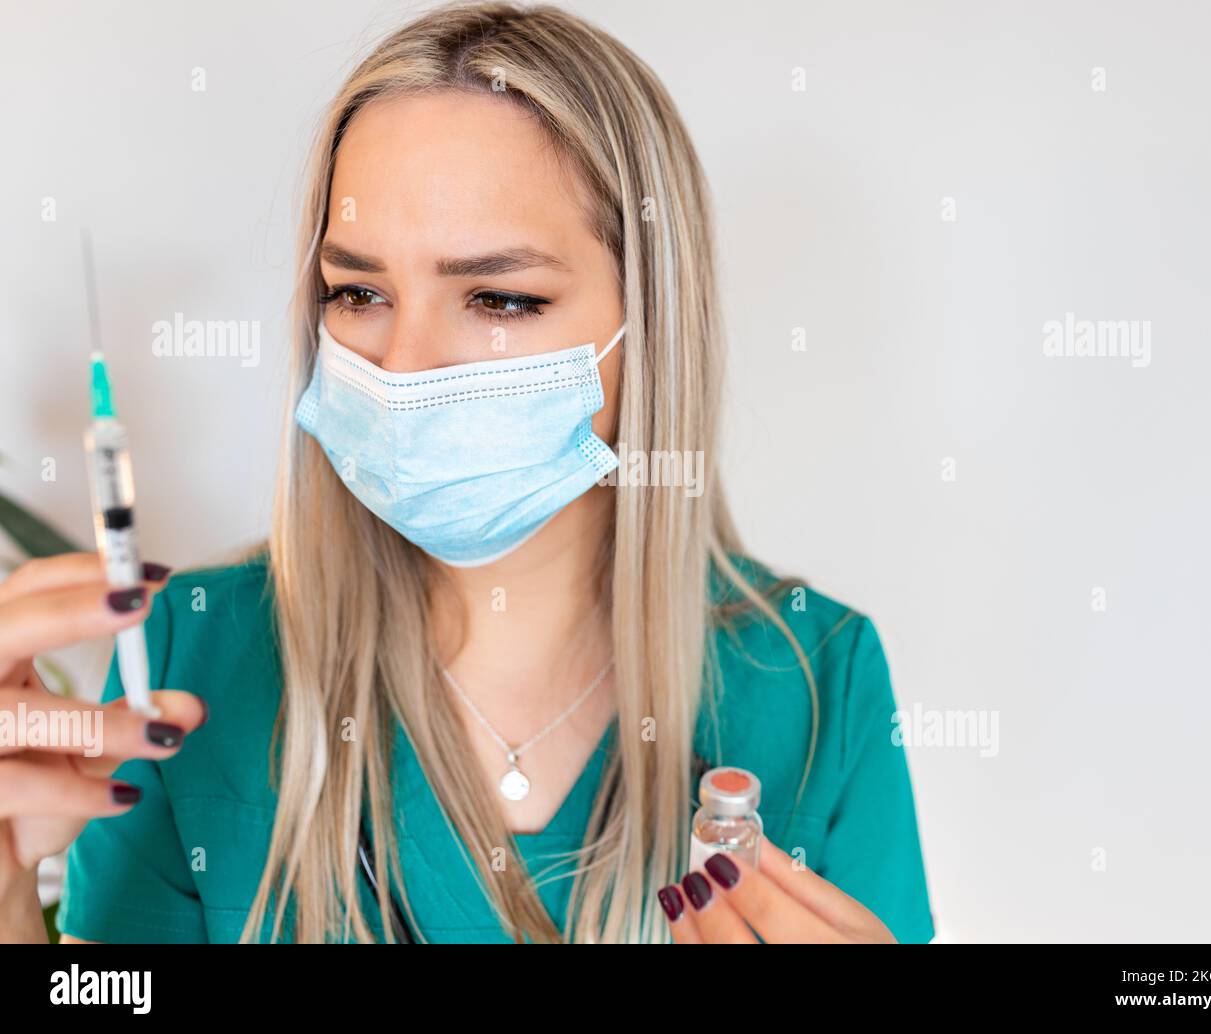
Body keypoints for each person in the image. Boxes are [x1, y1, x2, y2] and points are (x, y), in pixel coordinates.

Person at [0, 1, 933, 944]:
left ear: (649, 325)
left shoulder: (816, 687)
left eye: (497, 297)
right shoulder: (183, 668)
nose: (403, 368)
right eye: (358, 291)